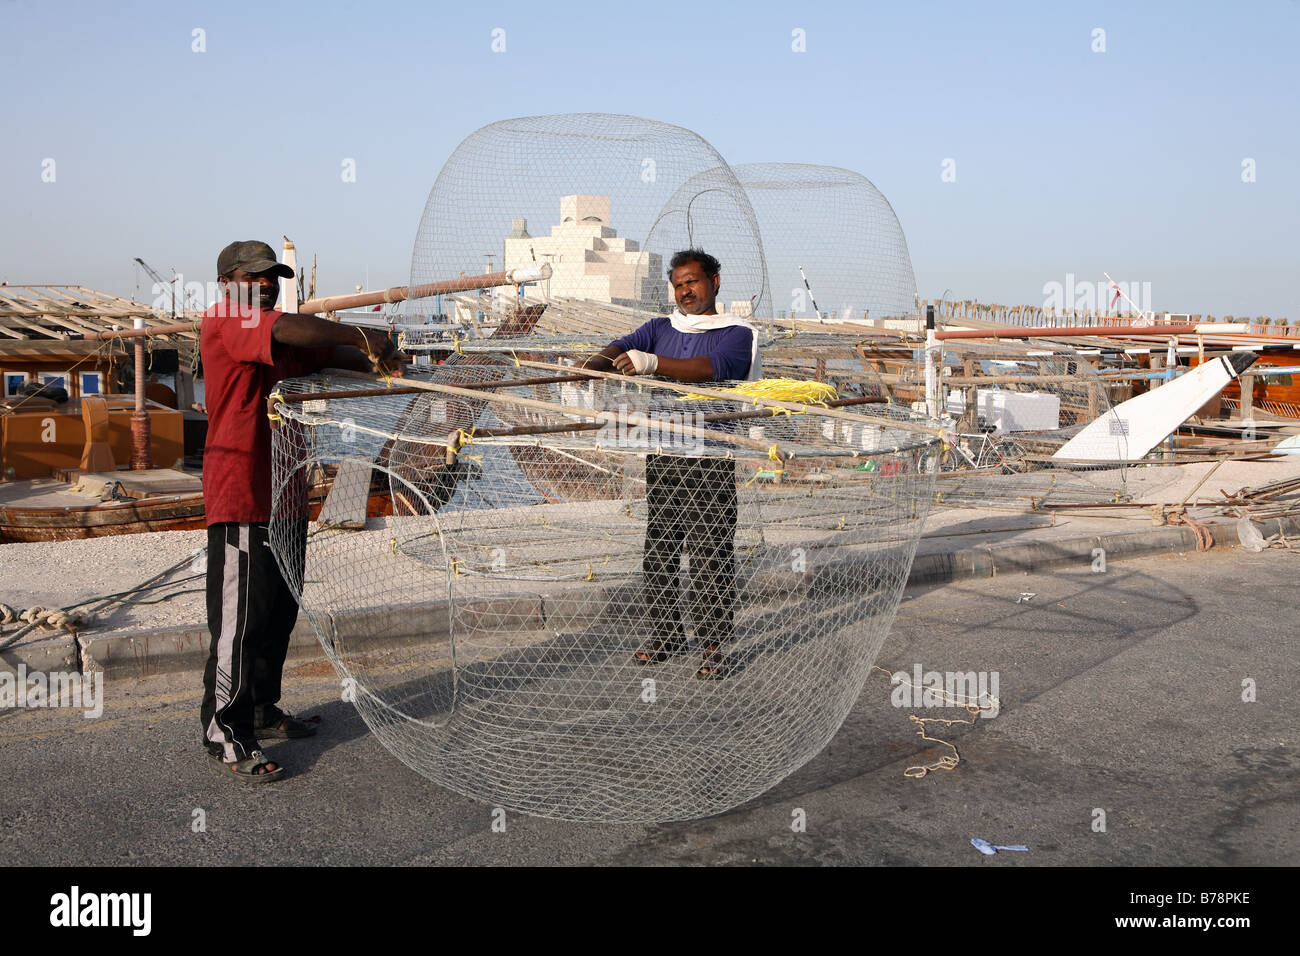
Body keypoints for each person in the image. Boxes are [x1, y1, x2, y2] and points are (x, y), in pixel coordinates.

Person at [200, 239, 404, 782]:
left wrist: (380, 358)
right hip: (242, 493)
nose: (267, 285)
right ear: (229, 280)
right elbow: (296, 330)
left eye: (274, 277)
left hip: (287, 495)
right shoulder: (227, 318)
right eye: (256, 276)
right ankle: (225, 727)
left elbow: (331, 354)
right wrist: (364, 331)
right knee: (240, 621)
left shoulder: (279, 334)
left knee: (278, 613)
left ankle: (263, 710)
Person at [586, 249, 760, 679]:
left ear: (714, 282)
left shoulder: (737, 332)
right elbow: (621, 347)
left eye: (693, 282)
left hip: (711, 456)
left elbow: (711, 369)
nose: (686, 291)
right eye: (679, 285)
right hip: (663, 452)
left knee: (710, 552)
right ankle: (666, 635)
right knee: (659, 549)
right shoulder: (660, 327)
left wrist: (654, 363)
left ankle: (714, 644)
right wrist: (592, 366)